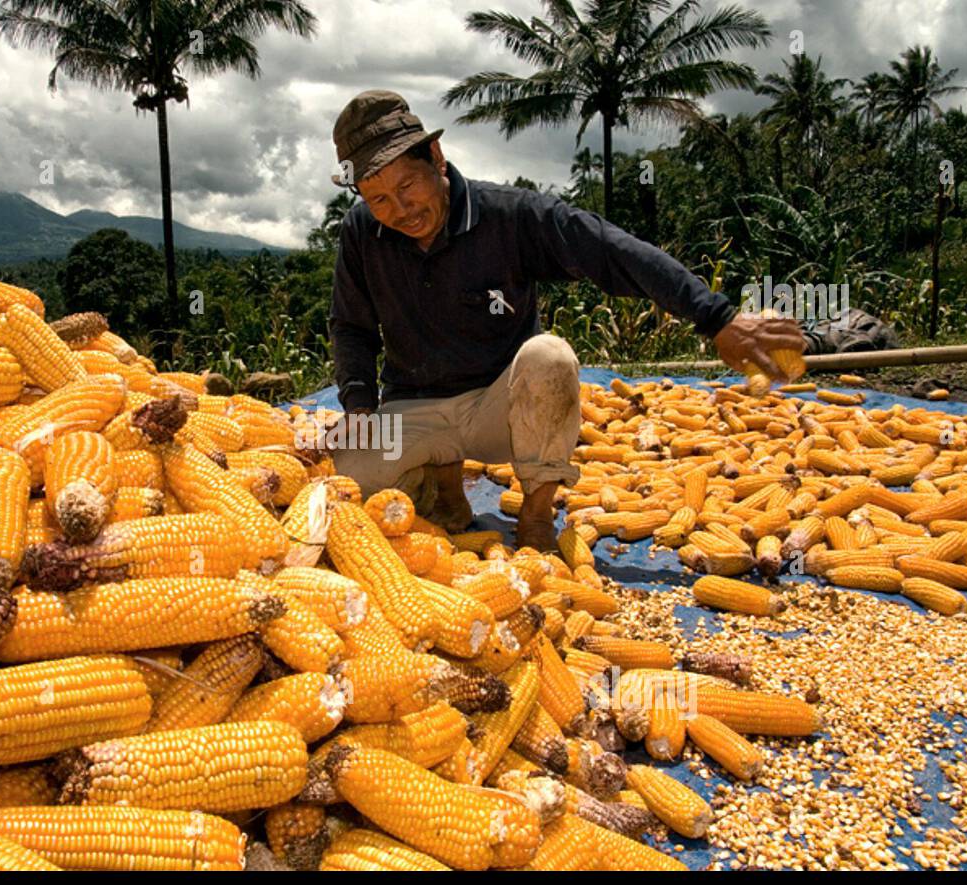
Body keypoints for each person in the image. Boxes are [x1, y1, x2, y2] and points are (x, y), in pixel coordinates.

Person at [326, 90, 804, 552]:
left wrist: (716, 317)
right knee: (347, 480)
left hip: (502, 412)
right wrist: (360, 407)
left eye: (407, 186)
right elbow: (351, 326)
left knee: (550, 357)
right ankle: (446, 488)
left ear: (435, 155)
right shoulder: (361, 233)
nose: (401, 210)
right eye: (379, 199)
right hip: (416, 408)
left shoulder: (510, 216)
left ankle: (536, 511)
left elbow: (610, 250)